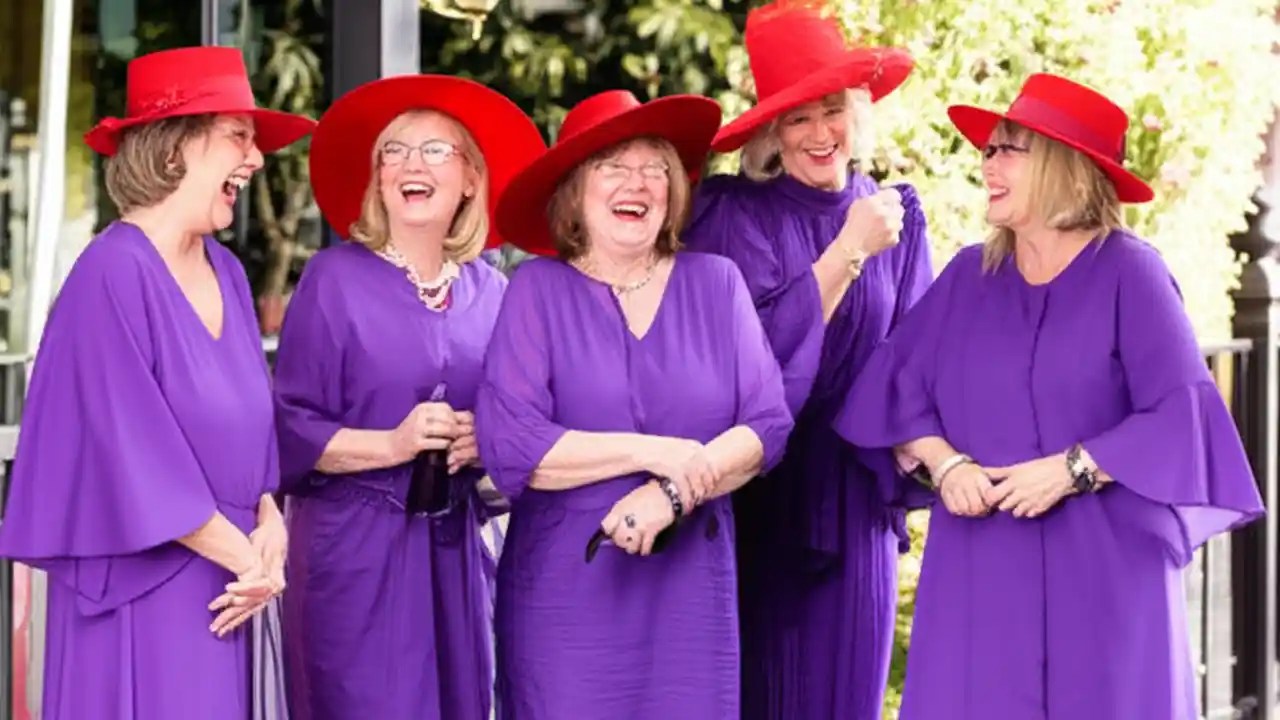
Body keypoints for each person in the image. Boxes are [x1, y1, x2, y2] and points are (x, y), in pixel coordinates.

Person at [836, 73, 1265, 719]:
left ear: (1064, 167)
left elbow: (1184, 415)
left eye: (1008, 150)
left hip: (1105, 569)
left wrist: (1072, 469)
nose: (988, 164)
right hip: (981, 573)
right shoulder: (968, 277)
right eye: (988, 150)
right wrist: (946, 464)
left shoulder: (1131, 273)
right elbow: (891, 388)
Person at [0, 46, 315, 719]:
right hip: (148, 591)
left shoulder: (228, 272)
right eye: (238, 136)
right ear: (174, 149)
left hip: (230, 581)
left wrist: (270, 523)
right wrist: (249, 560)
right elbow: (132, 458)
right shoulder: (110, 275)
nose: (256, 159)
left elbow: (247, 433)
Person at [476, 89, 794, 719]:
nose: (637, 182)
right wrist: (655, 453)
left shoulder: (718, 283)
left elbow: (766, 426)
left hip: (690, 594)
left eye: (654, 167)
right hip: (566, 597)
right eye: (613, 166)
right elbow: (514, 443)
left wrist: (673, 493)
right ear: (574, 192)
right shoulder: (537, 290)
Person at [681, 1, 932, 716]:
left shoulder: (897, 214)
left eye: (833, 111)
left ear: (857, 115)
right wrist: (846, 252)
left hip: (857, 497)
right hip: (760, 491)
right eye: (798, 118)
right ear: (771, 132)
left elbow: (916, 362)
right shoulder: (734, 213)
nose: (820, 134)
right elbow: (752, 363)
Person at [272, 75, 545, 720]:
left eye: (434, 150)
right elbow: (287, 427)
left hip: (455, 551)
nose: (410, 164)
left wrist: (486, 439)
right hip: (354, 553)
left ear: (470, 179)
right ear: (378, 180)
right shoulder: (333, 278)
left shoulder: (494, 293)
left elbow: (525, 423)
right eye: (393, 151)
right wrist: (391, 444)